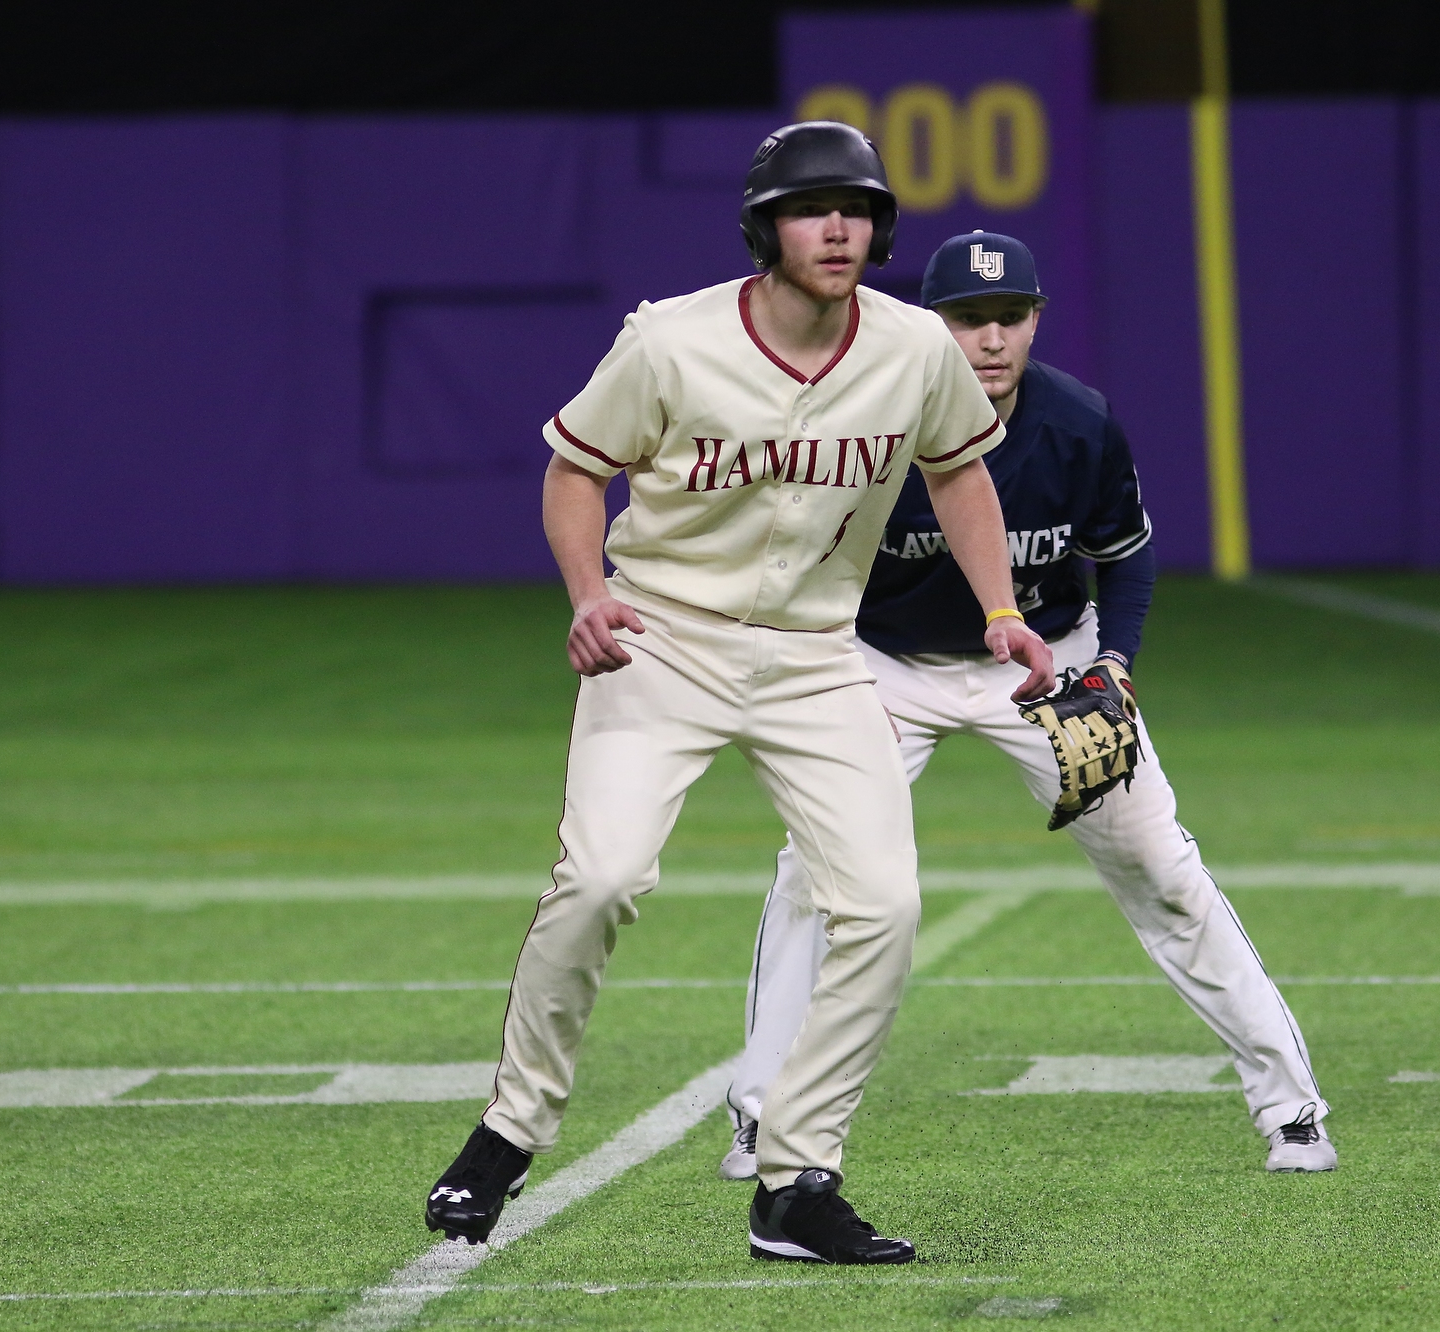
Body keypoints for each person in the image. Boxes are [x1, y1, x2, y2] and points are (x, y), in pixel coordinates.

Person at [423, 127, 1056, 1266]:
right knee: (603, 875)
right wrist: (583, 592)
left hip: (817, 656)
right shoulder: (671, 342)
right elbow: (576, 467)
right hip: (662, 638)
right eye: (812, 209)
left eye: (855, 210)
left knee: (883, 905)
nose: (836, 229)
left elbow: (957, 470)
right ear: (765, 227)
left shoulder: (914, 346)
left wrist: (1002, 610)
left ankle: (796, 1175)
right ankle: (509, 1133)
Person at [718, 231, 1335, 1183]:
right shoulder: (865, 420)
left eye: (1010, 317)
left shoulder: (1079, 424)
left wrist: (1117, 663)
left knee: (1160, 868)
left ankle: (1291, 1107)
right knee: (814, 873)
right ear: (932, 323)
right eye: (969, 318)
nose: (991, 338)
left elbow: (1124, 554)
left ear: (1036, 319)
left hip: (1046, 662)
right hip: (884, 664)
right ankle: (762, 1115)